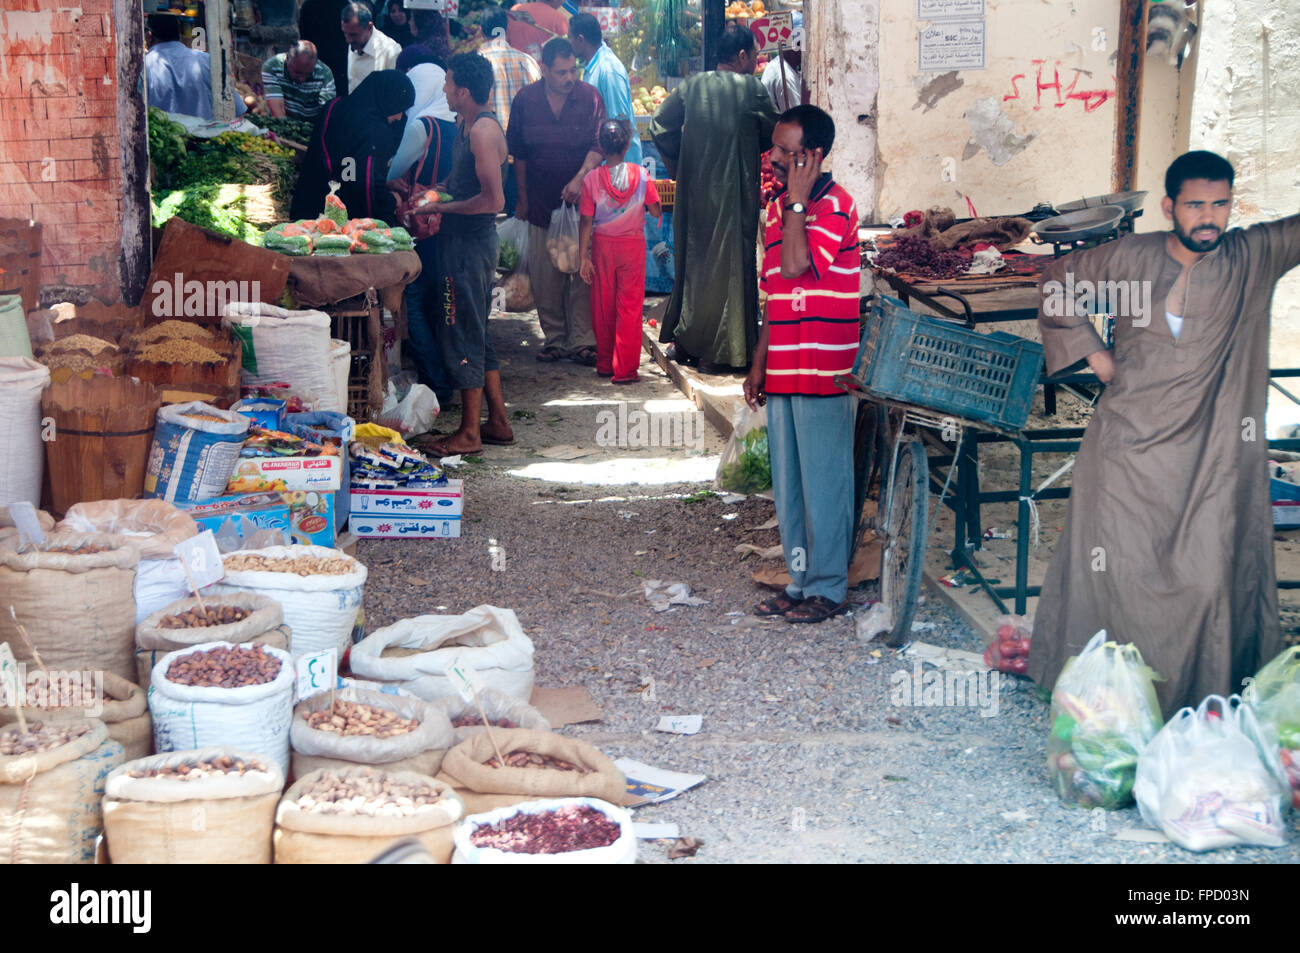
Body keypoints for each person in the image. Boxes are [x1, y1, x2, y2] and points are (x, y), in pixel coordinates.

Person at [1029, 150, 1300, 715]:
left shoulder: (1252, 256)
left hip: (1211, 458)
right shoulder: (1133, 256)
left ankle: (1200, 706)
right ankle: (1111, 710)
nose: (1209, 217)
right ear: (1170, 206)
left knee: (1205, 580)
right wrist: (1097, 356)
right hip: (1126, 450)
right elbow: (1057, 280)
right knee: (1116, 576)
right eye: (1196, 204)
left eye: (1220, 204)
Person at [743, 105, 860, 624]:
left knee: (825, 483)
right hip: (786, 365)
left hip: (825, 369)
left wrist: (795, 202)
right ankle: (799, 580)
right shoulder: (775, 209)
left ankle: (830, 588)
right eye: (774, 148)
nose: (773, 158)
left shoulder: (836, 206)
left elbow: (796, 263)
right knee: (789, 487)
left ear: (811, 157)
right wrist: (758, 361)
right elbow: (775, 289)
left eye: (786, 152)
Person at [651, 24, 778, 370]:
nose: (754, 61)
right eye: (753, 55)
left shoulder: (691, 86)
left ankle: (689, 341)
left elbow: (658, 126)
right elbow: (775, 132)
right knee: (734, 267)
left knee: (695, 264)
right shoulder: (751, 89)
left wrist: (680, 164)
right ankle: (729, 350)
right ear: (741, 57)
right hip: (734, 193)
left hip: (693, 193)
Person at [412, 53, 515, 456]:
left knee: (459, 329)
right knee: (477, 330)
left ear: (465, 91)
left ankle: (469, 433)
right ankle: (499, 422)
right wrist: (433, 192)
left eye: (449, 83)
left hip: (470, 246)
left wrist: (439, 208)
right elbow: (461, 183)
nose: (444, 89)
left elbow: (493, 199)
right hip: (461, 244)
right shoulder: (465, 123)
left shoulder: (482, 132)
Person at [507, 37, 606, 365]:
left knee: (581, 273)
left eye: (573, 71)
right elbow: (518, 153)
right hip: (538, 203)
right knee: (545, 274)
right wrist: (520, 198)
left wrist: (580, 178)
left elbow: (598, 145)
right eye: (561, 72)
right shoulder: (525, 100)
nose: (569, 78)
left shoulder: (589, 97)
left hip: (583, 205)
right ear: (544, 69)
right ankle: (554, 339)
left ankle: (582, 340)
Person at [388, 62, 459, 410]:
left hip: (424, 225)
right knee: (444, 301)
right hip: (456, 226)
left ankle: (435, 379)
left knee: (412, 300)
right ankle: (454, 374)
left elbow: (394, 169)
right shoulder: (463, 123)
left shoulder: (423, 126)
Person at [578, 119, 661, 383]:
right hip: (633, 247)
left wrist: (582, 257)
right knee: (630, 307)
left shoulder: (592, 179)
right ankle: (625, 369)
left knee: (603, 306)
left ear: (601, 147)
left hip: (602, 247)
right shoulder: (641, 175)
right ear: (627, 145)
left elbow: (586, 221)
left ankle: (604, 364)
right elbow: (656, 209)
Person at [290, 70, 414, 223]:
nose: (399, 117)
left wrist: (384, 183)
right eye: (398, 109)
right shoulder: (376, 131)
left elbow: (348, 168)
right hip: (336, 223)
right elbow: (364, 186)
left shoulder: (333, 107)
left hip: (306, 209)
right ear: (388, 100)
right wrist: (390, 201)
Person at [477, 5, 541, 216]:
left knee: (489, 220)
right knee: (518, 220)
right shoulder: (528, 61)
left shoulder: (476, 63)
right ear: (506, 28)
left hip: (489, 159)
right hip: (523, 158)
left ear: (481, 30)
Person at [567, 12, 641, 169]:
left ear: (580, 39)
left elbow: (619, 125)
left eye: (570, 38)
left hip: (619, 169)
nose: (569, 44)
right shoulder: (592, 67)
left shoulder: (608, 70)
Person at [144, 13, 246, 120]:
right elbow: (237, 109)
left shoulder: (144, 66)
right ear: (177, 35)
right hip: (206, 135)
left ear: (149, 35)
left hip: (161, 135)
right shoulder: (207, 60)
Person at [262, 41, 337, 121]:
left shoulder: (325, 74)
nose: (302, 79)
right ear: (287, 60)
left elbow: (327, 112)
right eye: (298, 73)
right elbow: (277, 110)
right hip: (283, 125)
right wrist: (286, 130)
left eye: (308, 74)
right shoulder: (272, 67)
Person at [342, 2, 402, 93]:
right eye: (345, 34)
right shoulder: (354, 42)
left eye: (353, 35)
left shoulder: (391, 52)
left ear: (369, 27)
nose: (348, 40)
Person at [298, 0, 350, 97]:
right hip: (338, 62)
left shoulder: (308, 5)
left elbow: (303, 36)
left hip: (317, 60)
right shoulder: (345, 5)